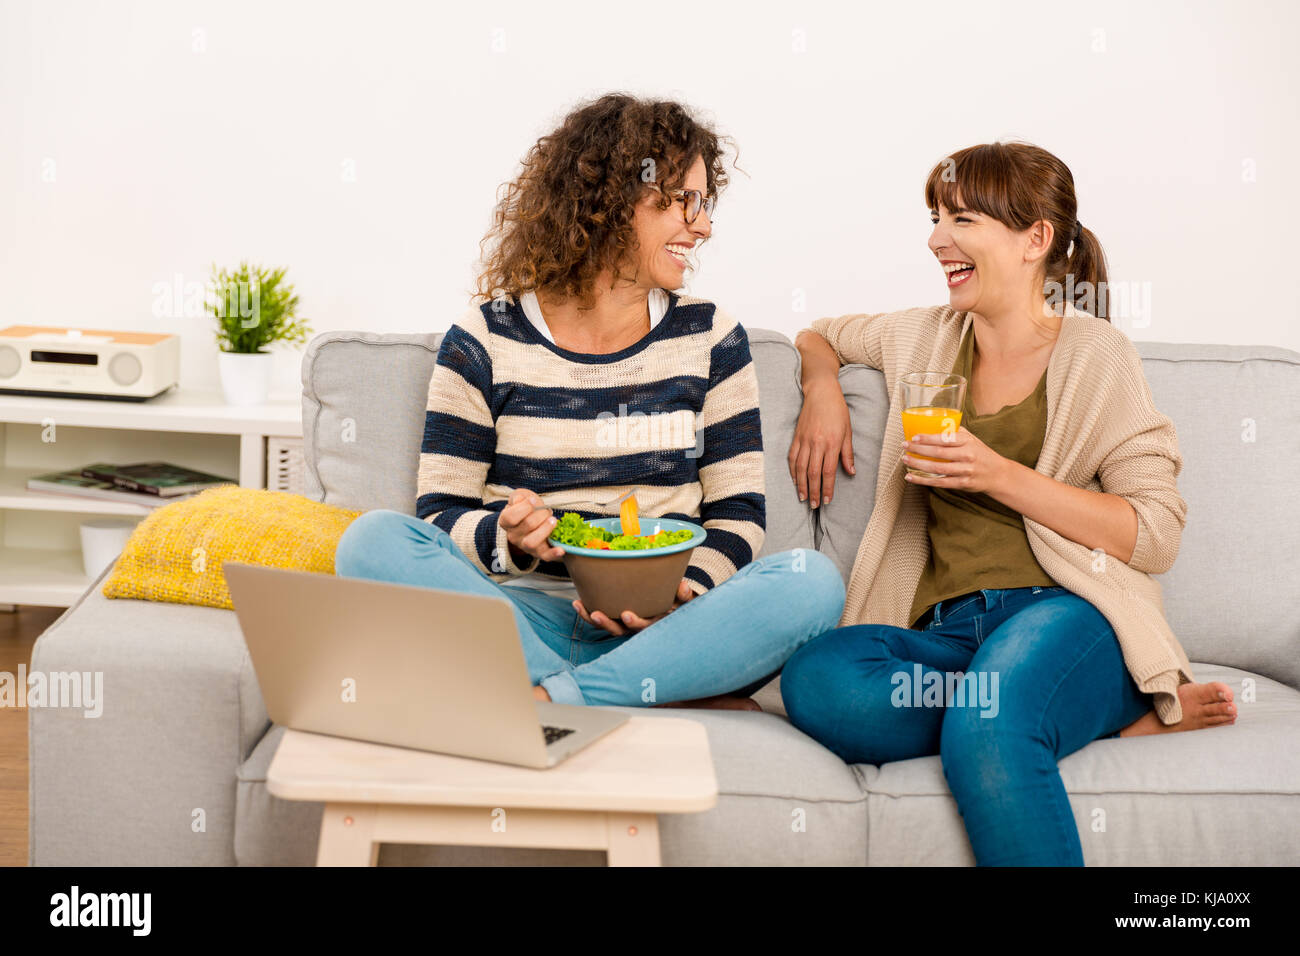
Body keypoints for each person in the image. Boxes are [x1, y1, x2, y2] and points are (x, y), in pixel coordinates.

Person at [780, 141, 1235, 865]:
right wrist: (821, 390)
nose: (937, 240)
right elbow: (818, 334)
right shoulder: (921, 336)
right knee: (821, 680)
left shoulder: (1096, 353)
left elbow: (1154, 534)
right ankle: (1076, 713)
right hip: (951, 633)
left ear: (1035, 239)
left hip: (1066, 615)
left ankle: (1039, 703)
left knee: (989, 725)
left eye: (961, 219)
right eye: (935, 218)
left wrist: (998, 474)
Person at [334, 92, 845, 710]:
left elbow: (739, 514)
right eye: (683, 200)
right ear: (610, 202)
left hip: (666, 634)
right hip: (522, 619)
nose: (703, 225)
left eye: (705, 204)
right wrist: (510, 537)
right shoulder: (485, 336)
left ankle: (554, 698)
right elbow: (440, 511)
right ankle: (612, 693)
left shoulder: (711, 337)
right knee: (372, 542)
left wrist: (680, 603)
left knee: (811, 582)